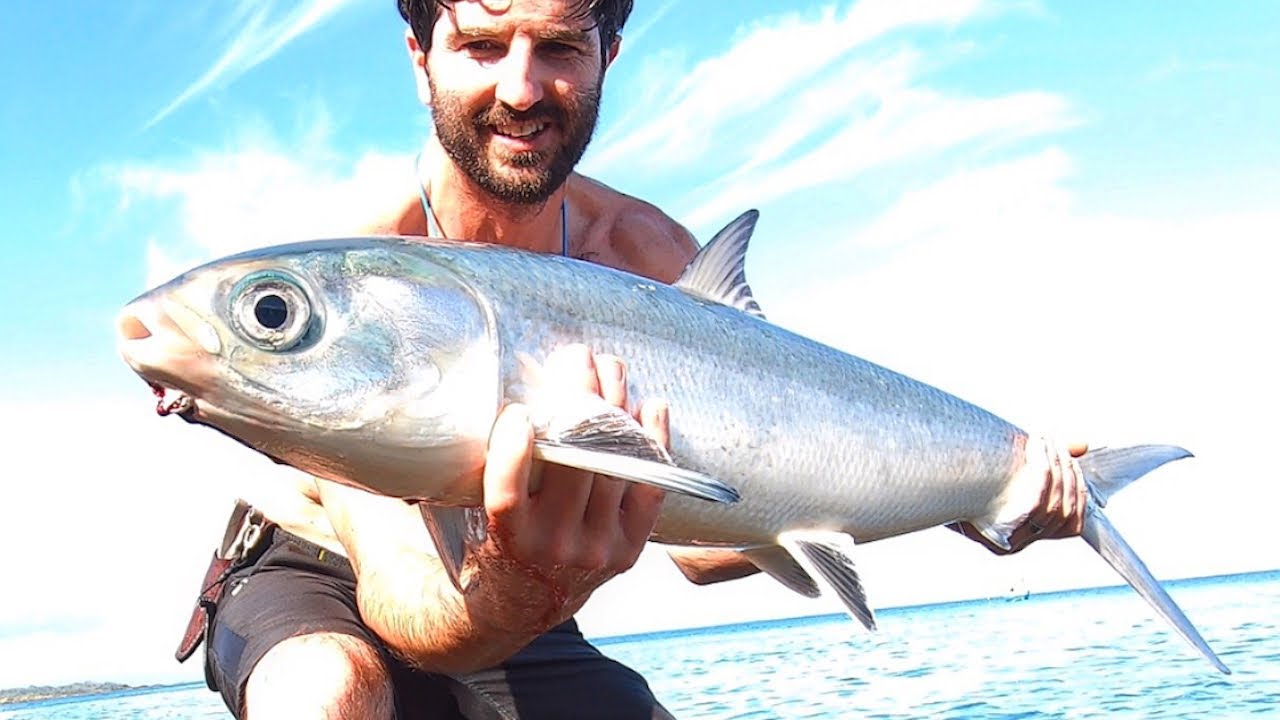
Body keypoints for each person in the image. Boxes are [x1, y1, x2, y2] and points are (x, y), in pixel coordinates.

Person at [184, 1, 1090, 718]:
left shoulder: (651, 257)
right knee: (329, 694)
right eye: (482, 46)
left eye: (561, 48)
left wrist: (966, 492)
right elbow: (411, 604)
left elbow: (701, 546)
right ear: (420, 57)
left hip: (533, 590)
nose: (523, 88)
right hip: (325, 572)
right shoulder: (367, 273)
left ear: (608, 54)